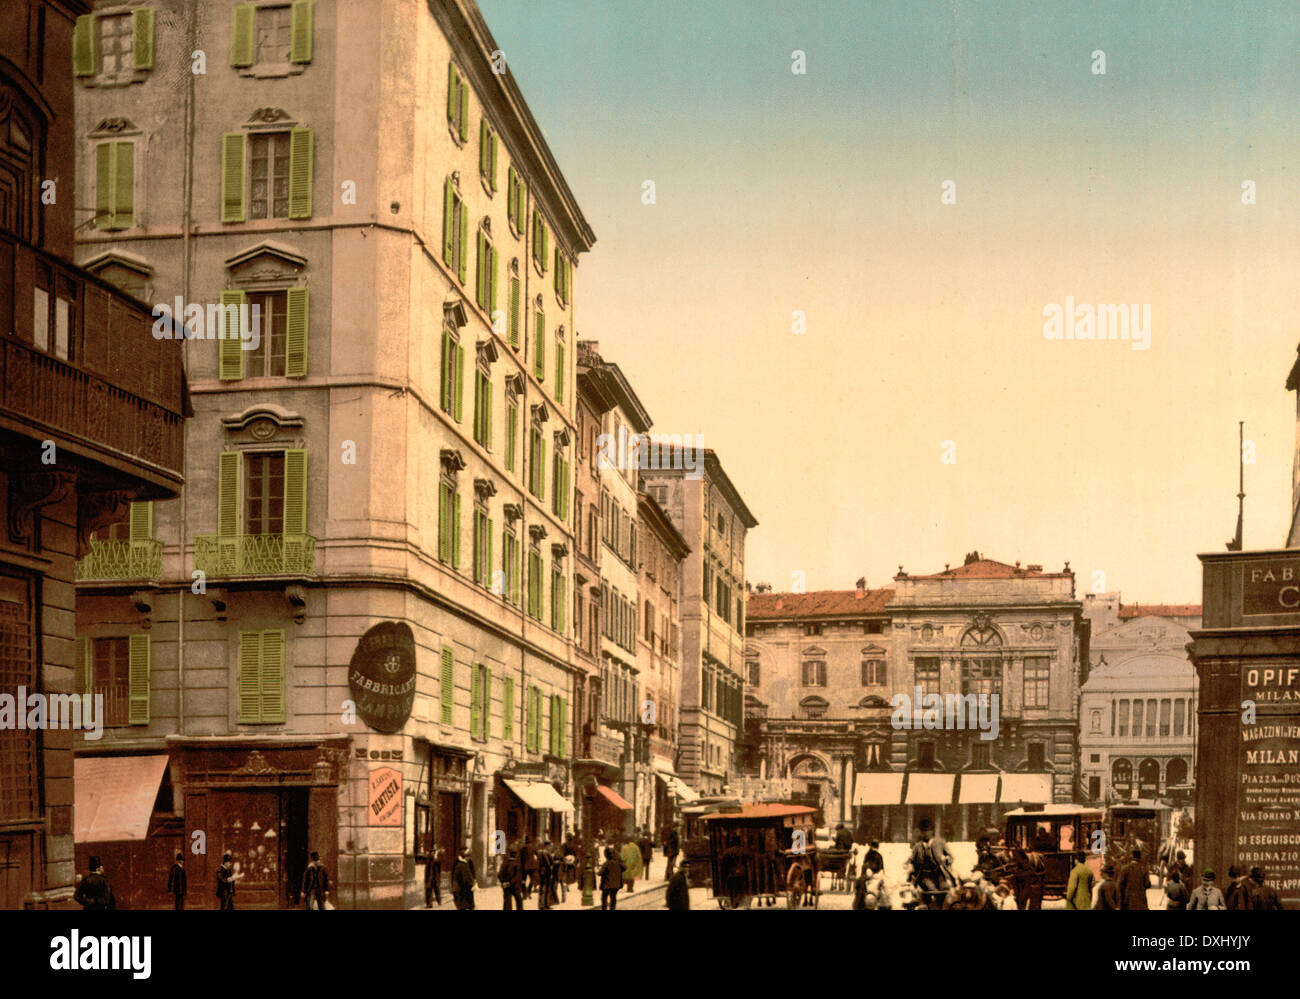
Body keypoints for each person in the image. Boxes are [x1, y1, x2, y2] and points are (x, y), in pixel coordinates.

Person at [909, 817, 955, 904]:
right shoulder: (918, 846)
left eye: (927, 831)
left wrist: (946, 859)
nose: (925, 833)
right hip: (925, 875)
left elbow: (951, 857)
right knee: (932, 890)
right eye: (923, 831)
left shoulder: (940, 843)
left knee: (945, 888)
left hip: (939, 873)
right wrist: (910, 868)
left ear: (932, 831)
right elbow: (911, 860)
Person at [719, 835, 748, 909]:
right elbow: (750, 857)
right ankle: (738, 901)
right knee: (740, 888)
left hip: (731, 873)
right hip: (741, 872)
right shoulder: (742, 850)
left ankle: (733, 902)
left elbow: (723, 862)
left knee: (732, 888)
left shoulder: (727, 852)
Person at [451, 844, 476, 910]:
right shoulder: (457, 861)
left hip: (467, 882)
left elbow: (472, 870)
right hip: (461, 883)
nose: (463, 851)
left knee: (469, 899)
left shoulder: (469, 860)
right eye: (462, 850)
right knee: (462, 900)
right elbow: (453, 872)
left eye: (464, 850)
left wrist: (473, 880)